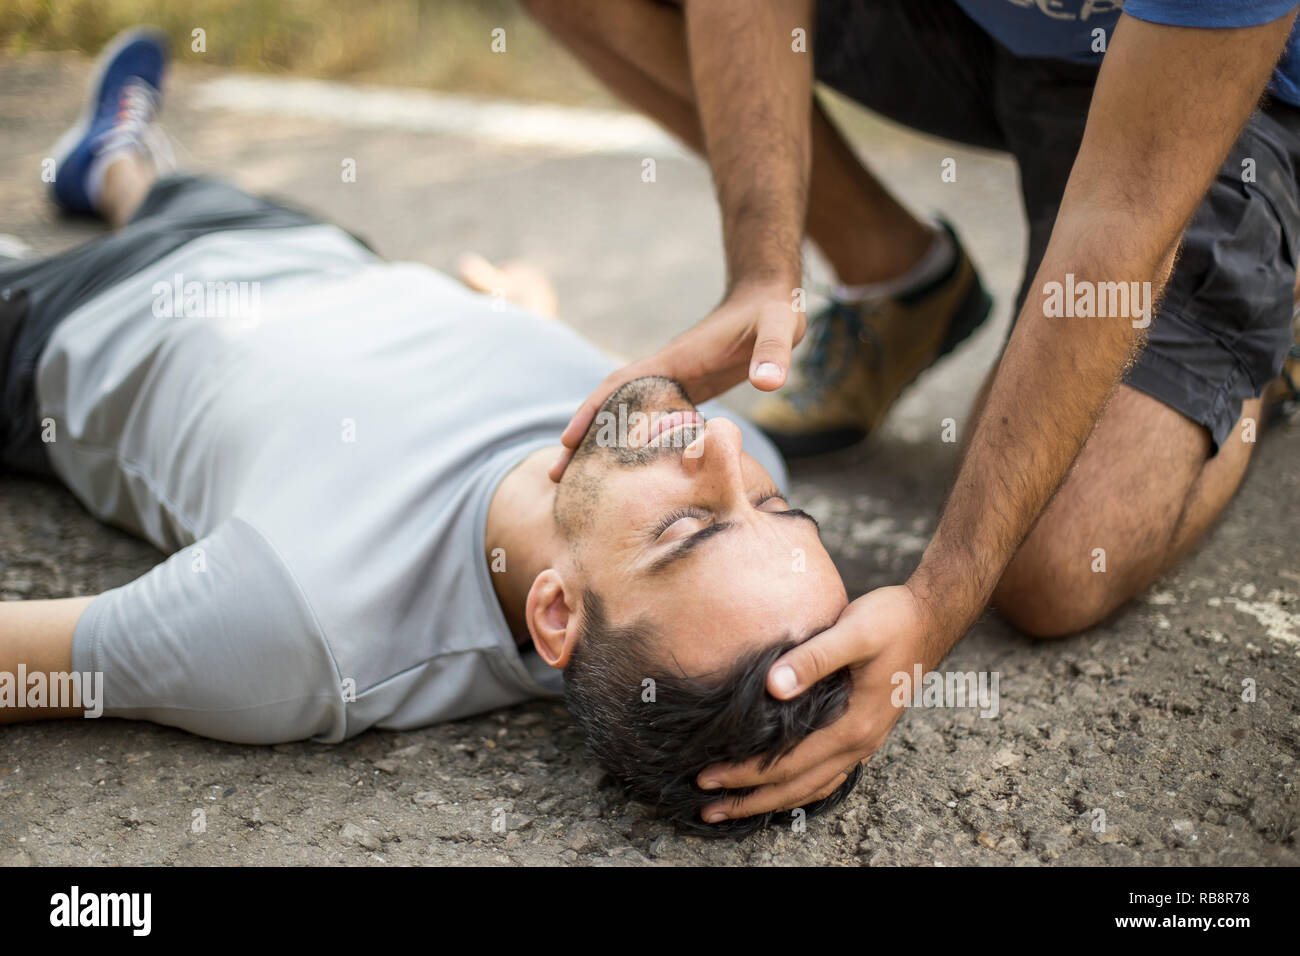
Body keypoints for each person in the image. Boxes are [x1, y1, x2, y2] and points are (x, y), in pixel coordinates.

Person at [0, 28, 860, 835]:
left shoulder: (303, 628)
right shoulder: (679, 445)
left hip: (67, 325)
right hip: (315, 250)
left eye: (689, 525)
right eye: (775, 506)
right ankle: (111, 162)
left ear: (556, 614)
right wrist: (525, 320)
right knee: (153, 189)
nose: (725, 448)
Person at [525, 0, 1300, 825]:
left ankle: (1262, 335)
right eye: (771, 504)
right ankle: (896, 276)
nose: (724, 436)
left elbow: (1127, 210)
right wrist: (762, 267)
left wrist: (943, 597)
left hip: (1207, 91)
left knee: (1055, 566)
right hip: (981, 29)